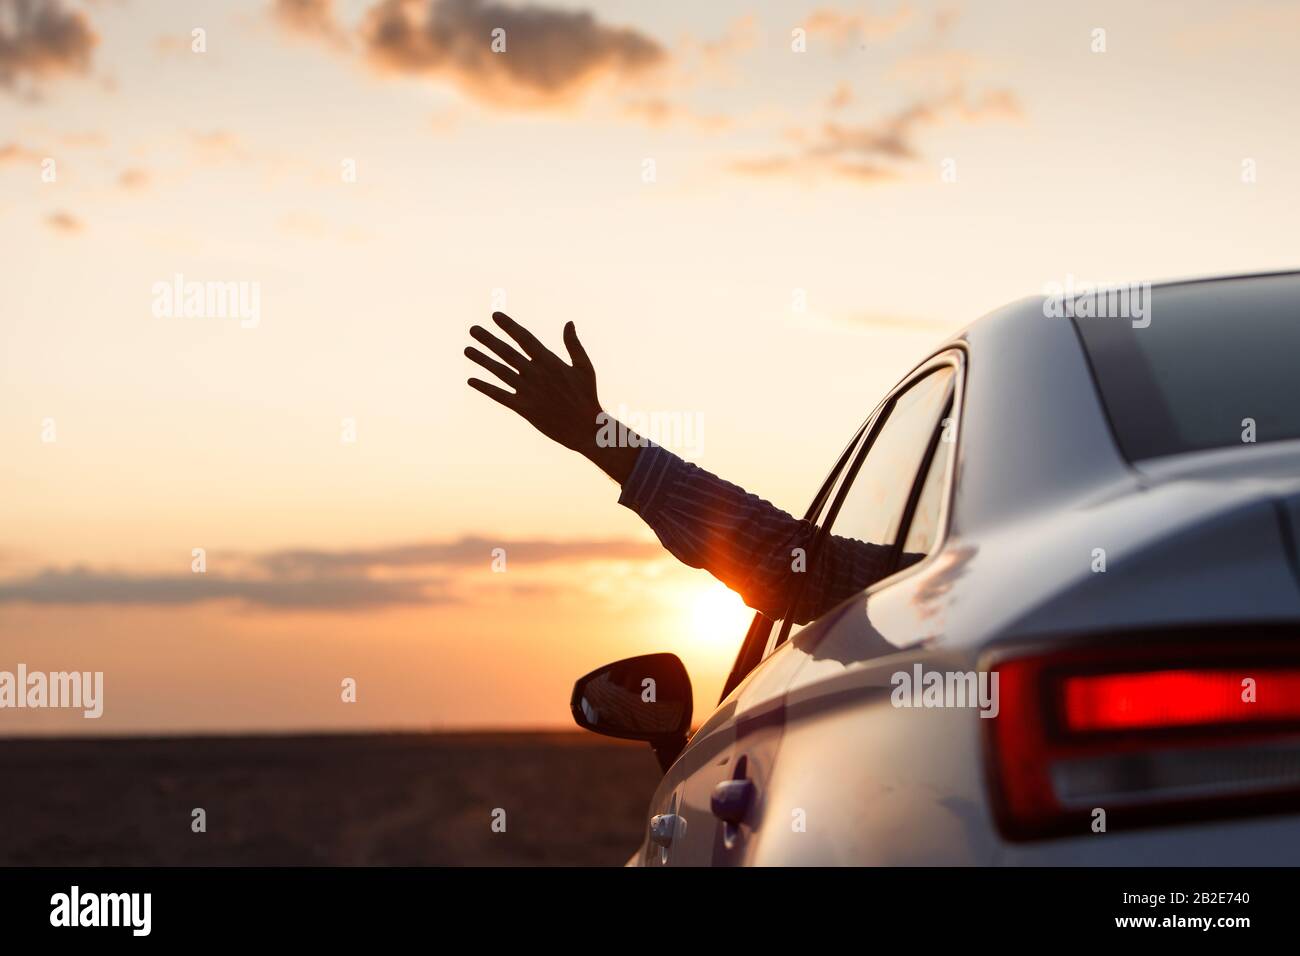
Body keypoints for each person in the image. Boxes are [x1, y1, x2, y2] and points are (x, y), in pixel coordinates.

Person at [465, 312, 897, 625]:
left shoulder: (922, 592)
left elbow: (795, 569)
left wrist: (598, 436)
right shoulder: (925, 590)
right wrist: (598, 435)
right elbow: (801, 567)